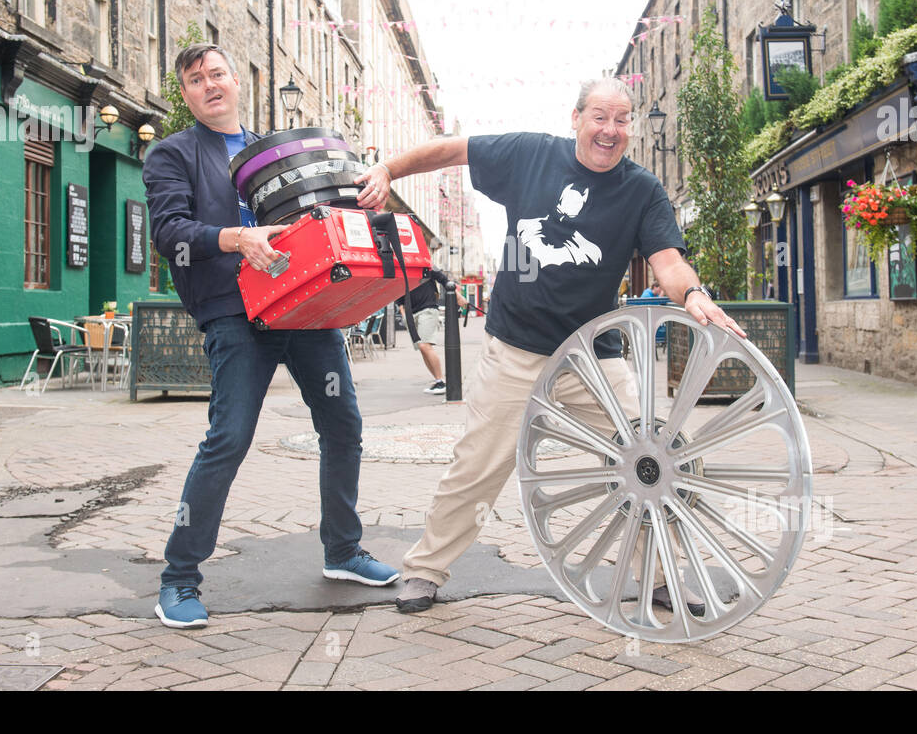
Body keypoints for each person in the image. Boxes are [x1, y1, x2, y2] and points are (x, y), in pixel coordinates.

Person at [354, 76, 745, 615]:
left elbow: (668, 260)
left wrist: (694, 294)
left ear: (630, 126)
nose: (610, 130)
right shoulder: (530, 155)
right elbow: (454, 149)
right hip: (516, 347)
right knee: (477, 465)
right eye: (600, 117)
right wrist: (388, 169)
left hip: (593, 355)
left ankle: (655, 576)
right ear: (577, 118)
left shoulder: (641, 190)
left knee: (650, 458)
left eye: (621, 119)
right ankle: (424, 571)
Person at [143, 44, 398, 629]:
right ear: (184, 94)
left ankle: (343, 551)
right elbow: (168, 231)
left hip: (306, 304)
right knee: (228, 438)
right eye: (195, 79)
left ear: (235, 81)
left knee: (342, 426)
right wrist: (237, 239)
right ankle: (178, 580)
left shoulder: (271, 151)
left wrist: (367, 191)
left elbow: (322, 208)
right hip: (236, 311)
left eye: (217, 74)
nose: (209, 85)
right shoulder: (172, 154)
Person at [406, 278, 467, 393]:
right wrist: (404, 314)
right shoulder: (399, 265)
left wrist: (457, 295)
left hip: (427, 308)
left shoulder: (424, 262)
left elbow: (442, 278)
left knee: (425, 345)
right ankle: (438, 381)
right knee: (422, 348)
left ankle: (442, 382)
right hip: (411, 311)